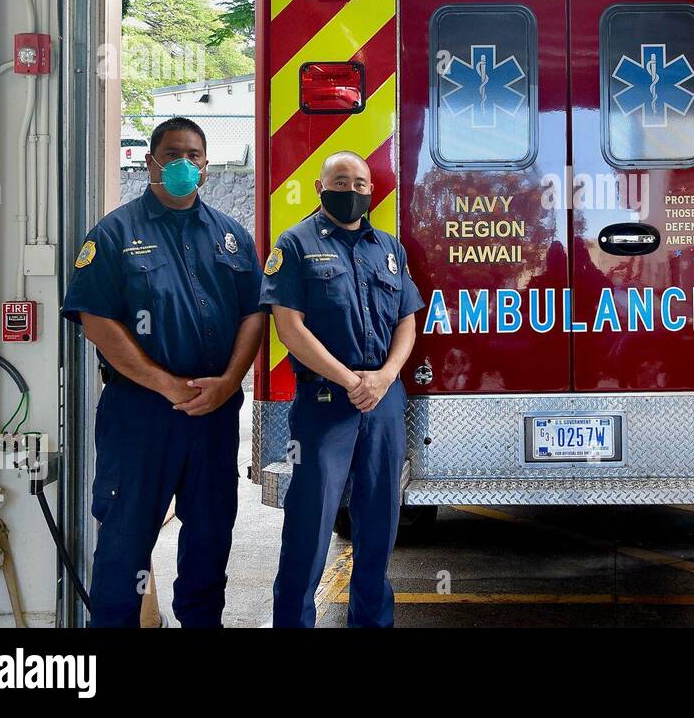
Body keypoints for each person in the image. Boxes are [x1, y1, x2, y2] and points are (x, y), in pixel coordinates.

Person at [62, 118, 263, 627]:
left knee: (209, 541)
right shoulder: (115, 233)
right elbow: (96, 321)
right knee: (124, 546)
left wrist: (229, 381)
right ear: (151, 160)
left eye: (194, 156)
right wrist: (162, 381)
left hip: (215, 414)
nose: (184, 164)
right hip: (140, 413)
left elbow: (254, 315)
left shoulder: (232, 237)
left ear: (206, 168)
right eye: (173, 154)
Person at [261, 150, 423, 628]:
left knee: (379, 525)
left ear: (372, 191)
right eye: (340, 182)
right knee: (310, 527)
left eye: (359, 184)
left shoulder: (389, 249)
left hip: (384, 400)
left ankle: (372, 622)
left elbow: (407, 321)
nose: (350, 191)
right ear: (319, 187)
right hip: (326, 403)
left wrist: (387, 375)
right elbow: (289, 327)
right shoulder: (294, 245)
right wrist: (352, 380)